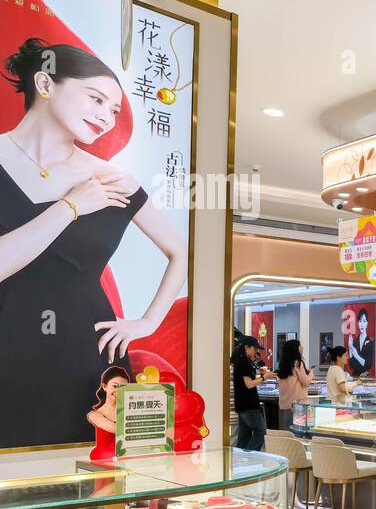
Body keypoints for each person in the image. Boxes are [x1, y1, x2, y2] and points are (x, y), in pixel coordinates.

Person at [0, 38, 188, 448]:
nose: (106, 117)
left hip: (89, 359)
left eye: (114, 110)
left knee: (92, 489)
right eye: (96, 99)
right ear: (46, 84)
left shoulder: (113, 179)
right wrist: (70, 206)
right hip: (7, 357)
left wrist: (147, 322)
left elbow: (180, 252)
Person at [232, 335, 272, 451]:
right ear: (247, 347)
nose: (256, 351)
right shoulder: (243, 362)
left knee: (244, 436)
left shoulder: (243, 361)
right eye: (255, 348)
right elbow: (249, 384)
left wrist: (262, 375)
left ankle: (238, 461)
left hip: (243, 404)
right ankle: (247, 459)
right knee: (261, 432)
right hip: (248, 405)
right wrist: (264, 377)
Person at [86, 365, 131, 460]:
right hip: (106, 455)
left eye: (123, 387)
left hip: (127, 452)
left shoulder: (129, 410)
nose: (119, 390)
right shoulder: (94, 415)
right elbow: (116, 429)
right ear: (104, 386)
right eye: (115, 386)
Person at [275, 338, 312, 430]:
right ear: (296, 349)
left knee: (288, 430)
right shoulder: (297, 363)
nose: (302, 348)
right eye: (300, 346)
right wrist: (311, 373)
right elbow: (305, 381)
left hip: (286, 403)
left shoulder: (282, 364)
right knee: (299, 430)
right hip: (298, 403)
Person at [345, 308, 374, 377]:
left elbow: (368, 364)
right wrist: (350, 347)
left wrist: (357, 355)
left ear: (367, 323)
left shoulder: (370, 341)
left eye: (364, 321)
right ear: (358, 323)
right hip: (355, 376)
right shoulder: (355, 342)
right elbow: (352, 366)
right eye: (360, 321)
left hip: (366, 377)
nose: (362, 324)